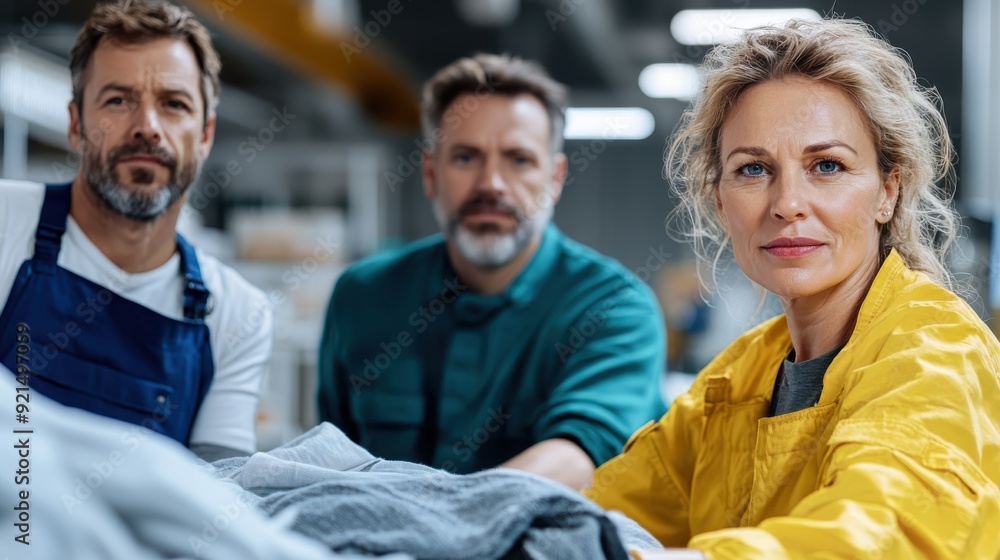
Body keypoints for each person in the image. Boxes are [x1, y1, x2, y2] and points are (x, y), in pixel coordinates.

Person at [585, 18, 1000, 558]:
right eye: (754, 169)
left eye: (827, 165)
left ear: (887, 192)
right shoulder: (734, 382)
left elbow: (882, 532)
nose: (786, 203)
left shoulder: (936, 353)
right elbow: (601, 515)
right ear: (719, 200)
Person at [318, 54, 665, 489]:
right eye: (466, 157)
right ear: (430, 173)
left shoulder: (613, 309)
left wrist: (440, 523)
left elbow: (580, 453)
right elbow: (332, 461)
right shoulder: (362, 297)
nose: (491, 185)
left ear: (555, 178)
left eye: (518, 160)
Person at [0, 0, 271, 461]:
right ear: (76, 125)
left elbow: (221, 499)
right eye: (118, 100)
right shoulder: (6, 225)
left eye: (173, 104)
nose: (147, 127)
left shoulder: (238, 315)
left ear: (204, 136)